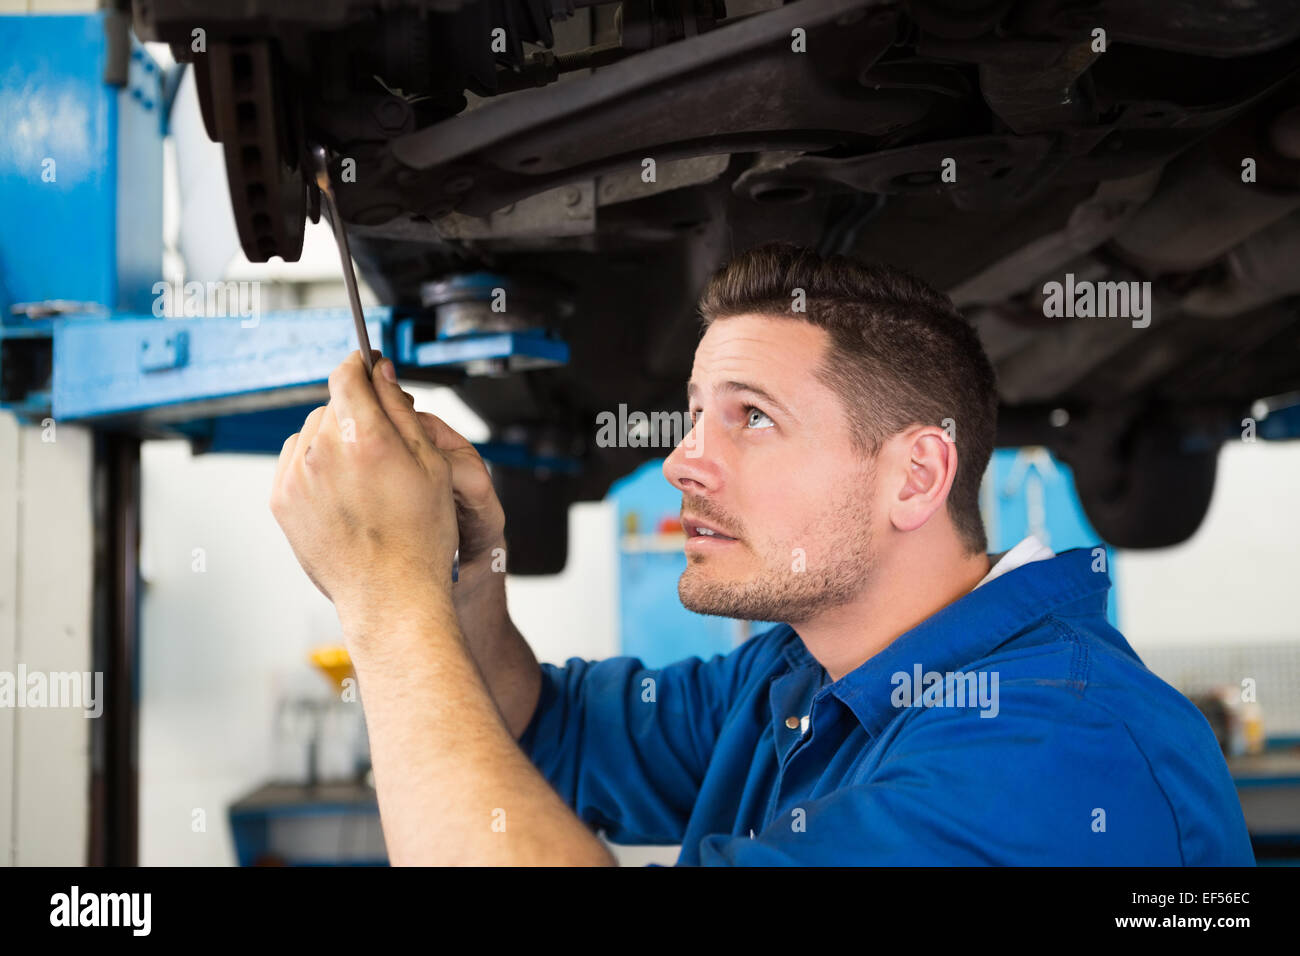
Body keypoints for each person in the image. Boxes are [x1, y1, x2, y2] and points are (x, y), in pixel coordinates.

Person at [270, 241, 1254, 866]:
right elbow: (552, 733)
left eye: (749, 415)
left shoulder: (1056, 756)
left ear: (914, 475)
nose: (683, 461)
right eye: (695, 414)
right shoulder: (800, 672)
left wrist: (386, 598)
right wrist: (458, 570)